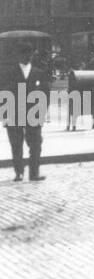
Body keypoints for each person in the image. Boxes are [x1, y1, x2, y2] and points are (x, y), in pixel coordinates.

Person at [2, 42, 49, 182]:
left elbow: (45, 94)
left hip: (33, 114)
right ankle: (19, 172)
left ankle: (34, 173)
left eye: (30, 53)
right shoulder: (8, 73)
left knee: (35, 144)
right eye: (24, 53)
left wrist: (41, 111)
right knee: (16, 144)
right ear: (18, 55)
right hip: (14, 114)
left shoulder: (39, 73)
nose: (28, 56)